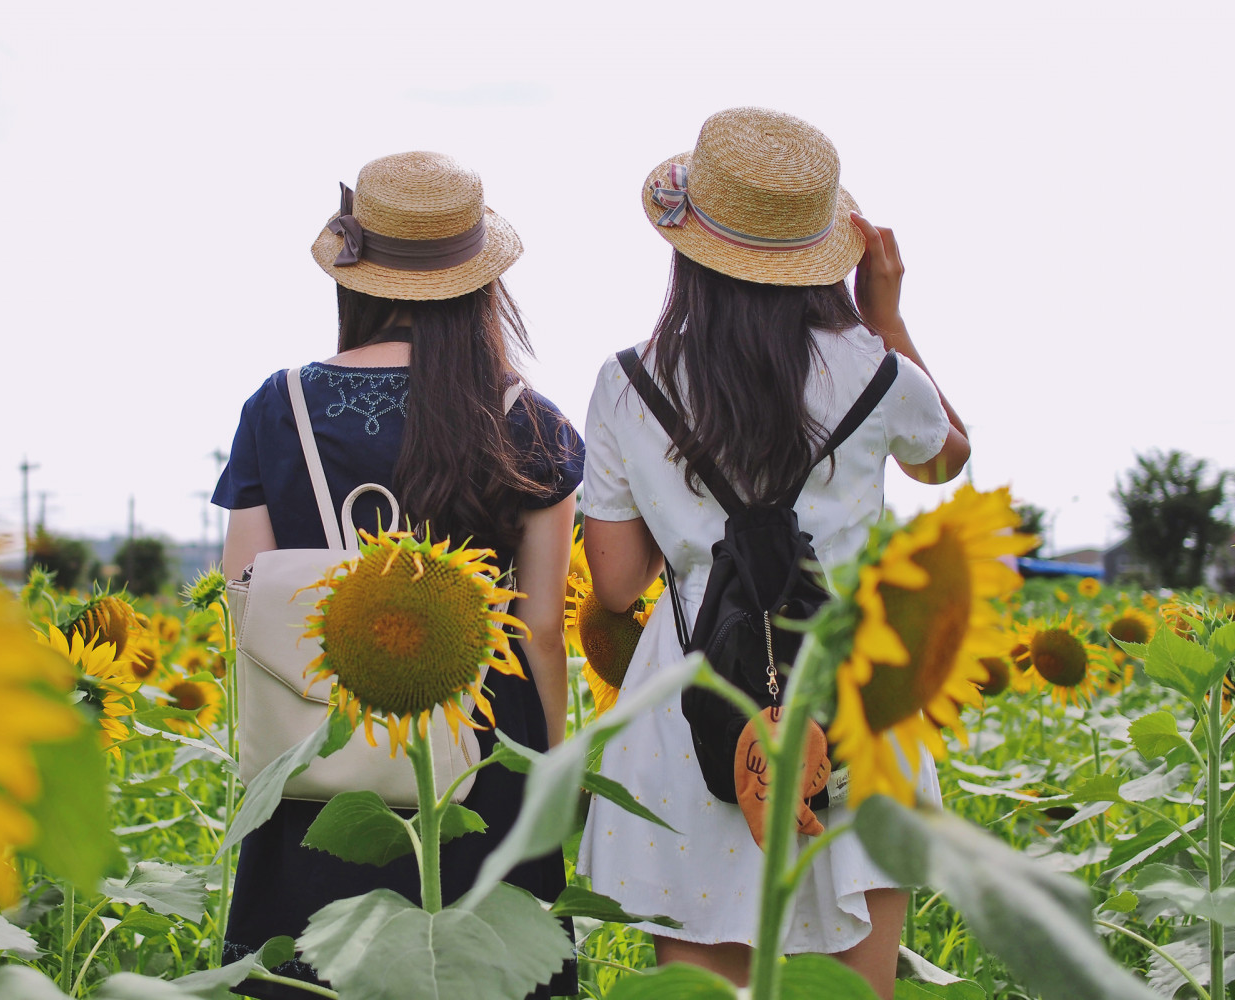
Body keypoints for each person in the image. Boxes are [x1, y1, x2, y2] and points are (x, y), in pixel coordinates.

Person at [575, 107, 971, 1000]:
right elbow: (946, 457)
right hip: (854, 697)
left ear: (689, 249)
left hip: (692, 710)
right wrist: (888, 319)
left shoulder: (629, 382)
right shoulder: (876, 371)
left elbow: (617, 581)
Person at [211, 151, 583, 999]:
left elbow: (245, 586)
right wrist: (549, 767)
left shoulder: (280, 406)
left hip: (324, 746)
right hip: (485, 760)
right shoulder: (533, 420)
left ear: (357, 276)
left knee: (315, 970)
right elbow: (546, 627)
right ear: (482, 282)